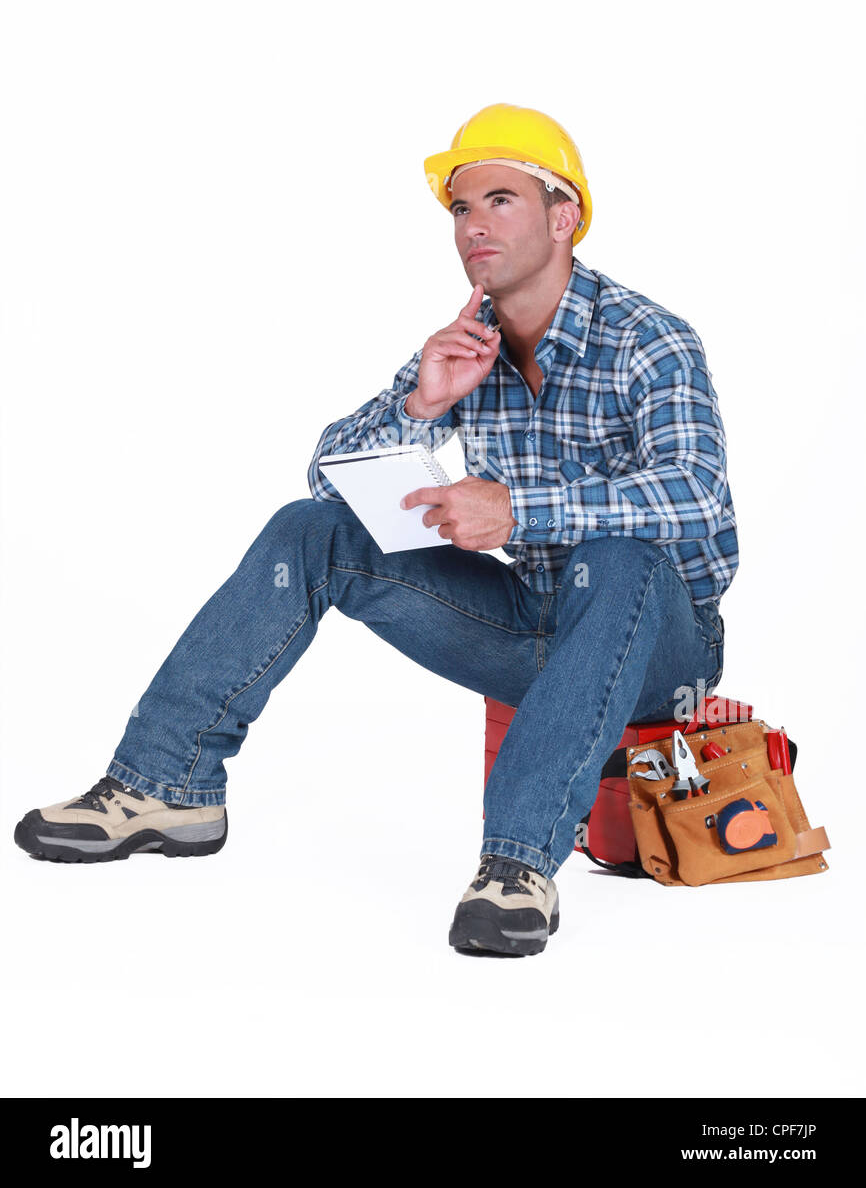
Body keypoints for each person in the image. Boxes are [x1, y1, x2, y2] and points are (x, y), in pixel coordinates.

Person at [13, 103, 738, 958]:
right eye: (461, 210)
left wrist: (517, 509)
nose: (474, 227)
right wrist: (420, 404)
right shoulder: (470, 341)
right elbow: (327, 474)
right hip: (528, 619)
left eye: (499, 200)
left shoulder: (650, 340)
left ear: (563, 215)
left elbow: (699, 495)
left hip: (663, 638)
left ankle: (515, 867)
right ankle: (167, 784)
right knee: (310, 530)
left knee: (618, 558)